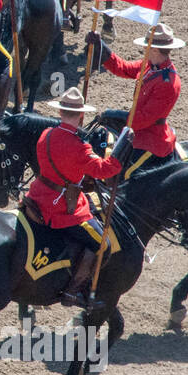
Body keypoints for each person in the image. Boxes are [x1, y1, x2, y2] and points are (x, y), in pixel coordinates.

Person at [23, 87, 128, 307]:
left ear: (61, 113)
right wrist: (121, 147)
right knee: (103, 244)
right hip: (60, 207)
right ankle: (72, 292)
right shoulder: (80, 147)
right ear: (81, 116)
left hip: (38, 195)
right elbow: (105, 170)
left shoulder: (46, 134)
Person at [86, 22, 185, 177]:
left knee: (122, 174)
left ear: (154, 49)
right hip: (135, 129)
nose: (144, 48)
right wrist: (101, 47)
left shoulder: (169, 83)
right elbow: (123, 68)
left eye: (147, 46)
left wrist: (116, 116)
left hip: (150, 139)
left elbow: (146, 119)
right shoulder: (149, 65)